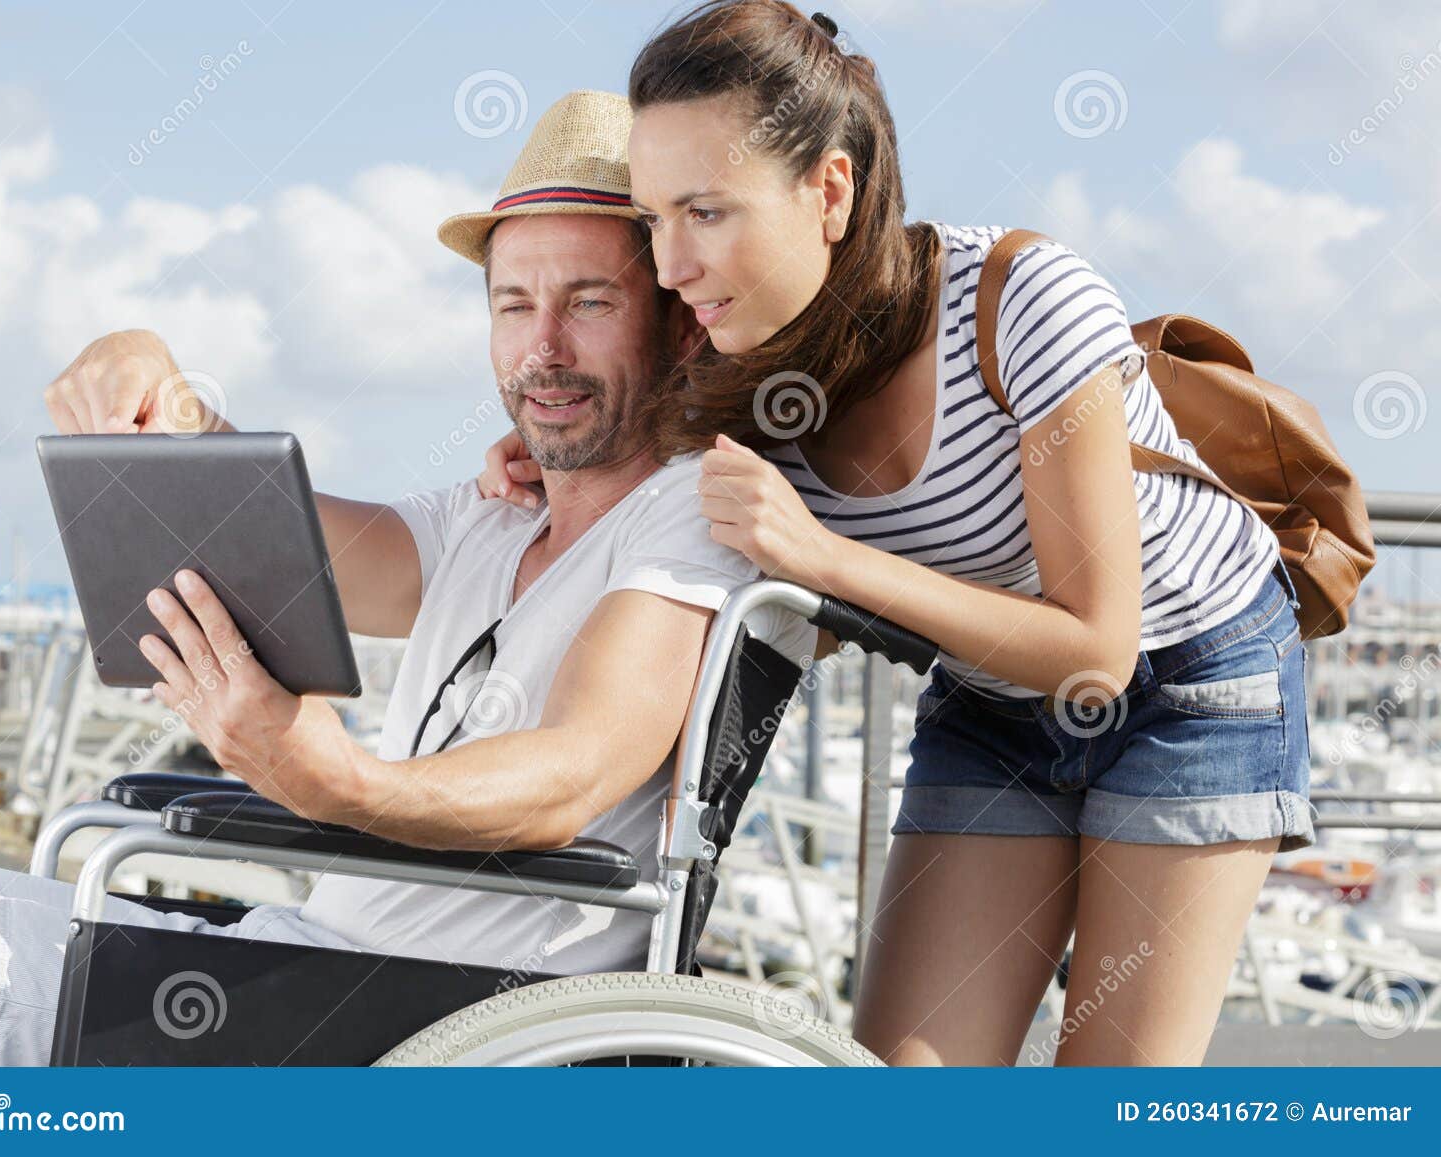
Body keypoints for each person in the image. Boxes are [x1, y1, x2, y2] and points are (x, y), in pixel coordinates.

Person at [0, 89, 810, 1067]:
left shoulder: (695, 509)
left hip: (427, 1019)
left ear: (681, 325)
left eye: (590, 302)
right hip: (303, 962)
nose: (544, 346)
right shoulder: (486, 513)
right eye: (515, 303)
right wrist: (159, 380)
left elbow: (574, 766)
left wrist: (336, 778)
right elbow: (248, 531)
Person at [476, 2, 1312, 1066]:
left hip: (1191, 682)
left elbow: (1097, 647)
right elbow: (635, 487)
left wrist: (824, 560)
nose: (673, 262)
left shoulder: (1020, 305)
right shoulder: (728, 379)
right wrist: (549, 463)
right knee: (899, 1098)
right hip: (994, 699)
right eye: (653, 221)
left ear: (828, 190)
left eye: (706, 211)